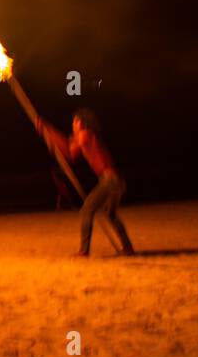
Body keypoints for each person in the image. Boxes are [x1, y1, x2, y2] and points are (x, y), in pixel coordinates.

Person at [36, 108, 134, 257]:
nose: (73, 124)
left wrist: (48, 129)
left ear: (81, 122)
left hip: (110, 180)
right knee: (110, 214)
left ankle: (84, 250)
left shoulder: (85, 134)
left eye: (75, 121)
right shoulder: (85, 136)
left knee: (87, 210)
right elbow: (69, 154)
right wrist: (47, 133)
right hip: (116, 180)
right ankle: (128, 247)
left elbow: (68, 149)